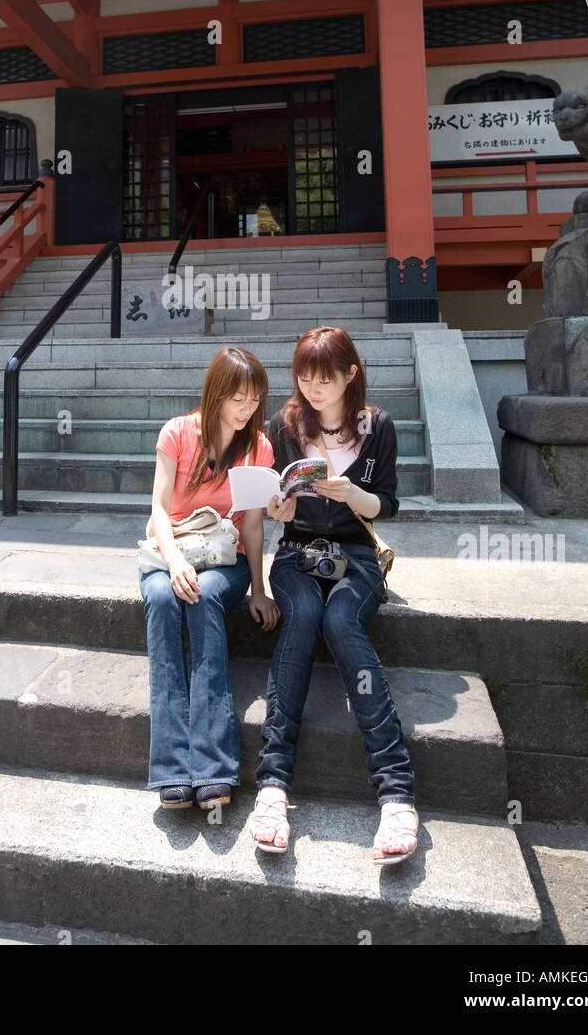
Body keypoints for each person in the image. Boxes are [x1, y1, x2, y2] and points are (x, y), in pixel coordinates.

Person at [248, 325, 418, 864]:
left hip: (358, 558)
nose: (313, 389)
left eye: (325, 378)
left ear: (351, 374)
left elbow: (388, 505)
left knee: (340, 621)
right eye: (304, 377)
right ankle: (272, 789)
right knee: (301, 617)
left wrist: (355, 495)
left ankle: (396, 792)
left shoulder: (378, 427)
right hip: (298, 555)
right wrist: (281, 509)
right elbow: (277, 494)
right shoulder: (285, 423)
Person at [140, 345, 280, 810]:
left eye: (255, 399)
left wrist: (259, 588)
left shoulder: (259, 446)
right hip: (171, 551)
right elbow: (159, 508)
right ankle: (171, 769)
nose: (247, 409)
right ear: (216, 393)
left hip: (225, 558)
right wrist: (176, 559)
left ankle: (214, 766)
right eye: (238, 398)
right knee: (162, 599)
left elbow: (254, 524)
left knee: (203, 597)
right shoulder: (178, 433)